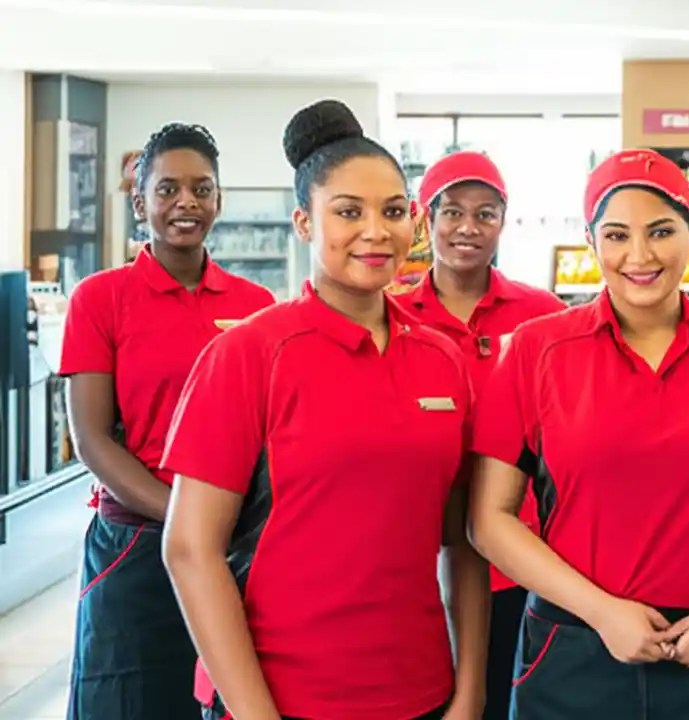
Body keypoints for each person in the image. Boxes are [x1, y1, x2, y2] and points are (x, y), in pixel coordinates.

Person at [159, 100, 488, 720]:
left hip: (420, 692)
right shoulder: (250, 354)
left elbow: (461, 542)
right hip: (283, 697)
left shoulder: (444, 362)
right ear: (304, 223)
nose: (375, 230)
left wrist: (468, 694)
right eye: (347, 212)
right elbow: (189, 549)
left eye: (393, 211)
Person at [468, 149, 689, 720]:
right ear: (591, 241)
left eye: (660, 231)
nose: (639, 255)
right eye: (616, 234)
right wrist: (604, 613)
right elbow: (488, 519)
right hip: (574, 652)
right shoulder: (538, 351)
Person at [60, 123, 276, 720]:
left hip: (233, 546)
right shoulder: (99, 299)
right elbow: (93, 440)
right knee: (127, 698)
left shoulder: (255, 308)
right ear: (140, 202)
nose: (187, 203)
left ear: (219, 201)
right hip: (135, 544)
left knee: (228, 697)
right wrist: (185, 518)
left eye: (202, 189)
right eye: (168, 190)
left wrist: (228, 530)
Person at [405, 150, 566, 720]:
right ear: (425, 220)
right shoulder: (392, 315)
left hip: (522, 560)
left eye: (485, 214)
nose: (468, 228)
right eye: (452, 212)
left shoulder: (542, 317)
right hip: (418, 559)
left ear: (504, 221)